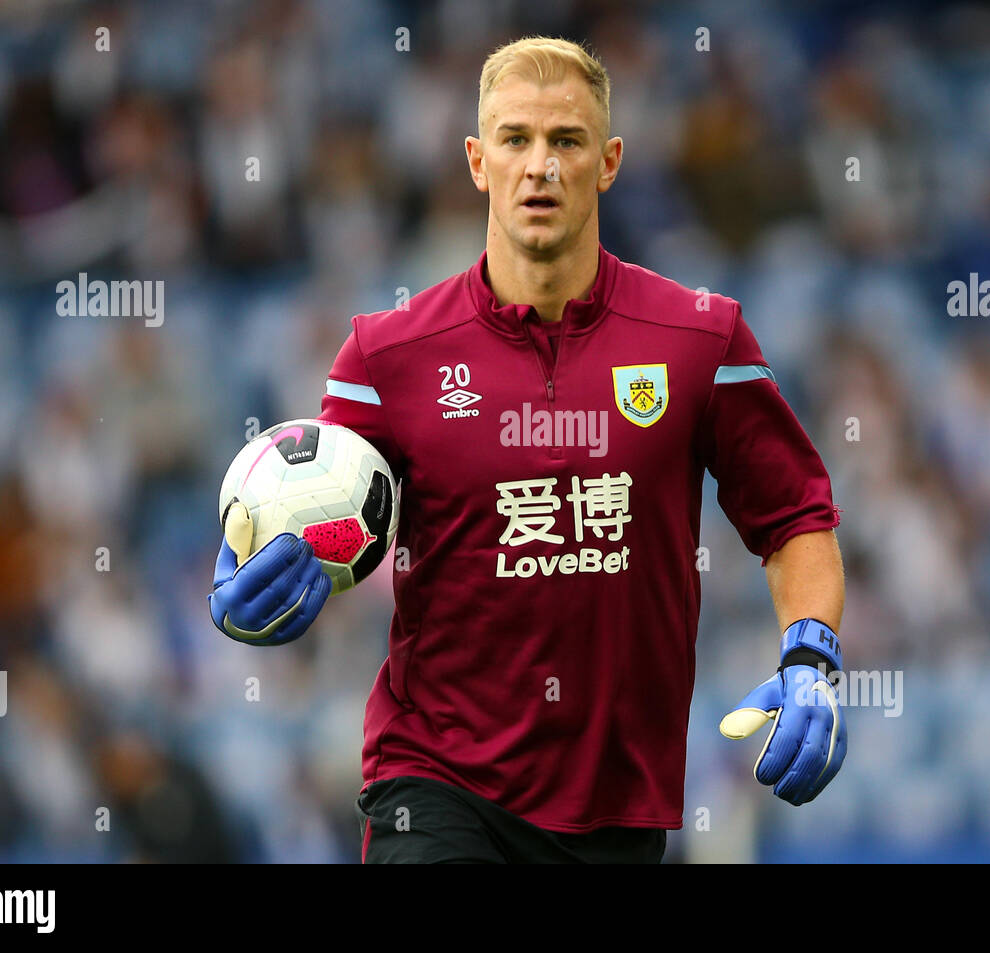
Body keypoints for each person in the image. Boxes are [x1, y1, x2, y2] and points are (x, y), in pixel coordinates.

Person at [209, 36, 847, 864]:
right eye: (515, 139)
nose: (538, 165)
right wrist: (244, 573)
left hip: (619, 802)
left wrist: (811, 657)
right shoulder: (383, 357)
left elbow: (794, 514)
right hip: (435, 781)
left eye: (566, 141)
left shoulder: (701, 336)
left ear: (609, 161)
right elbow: (322, 513)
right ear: (478, 161)